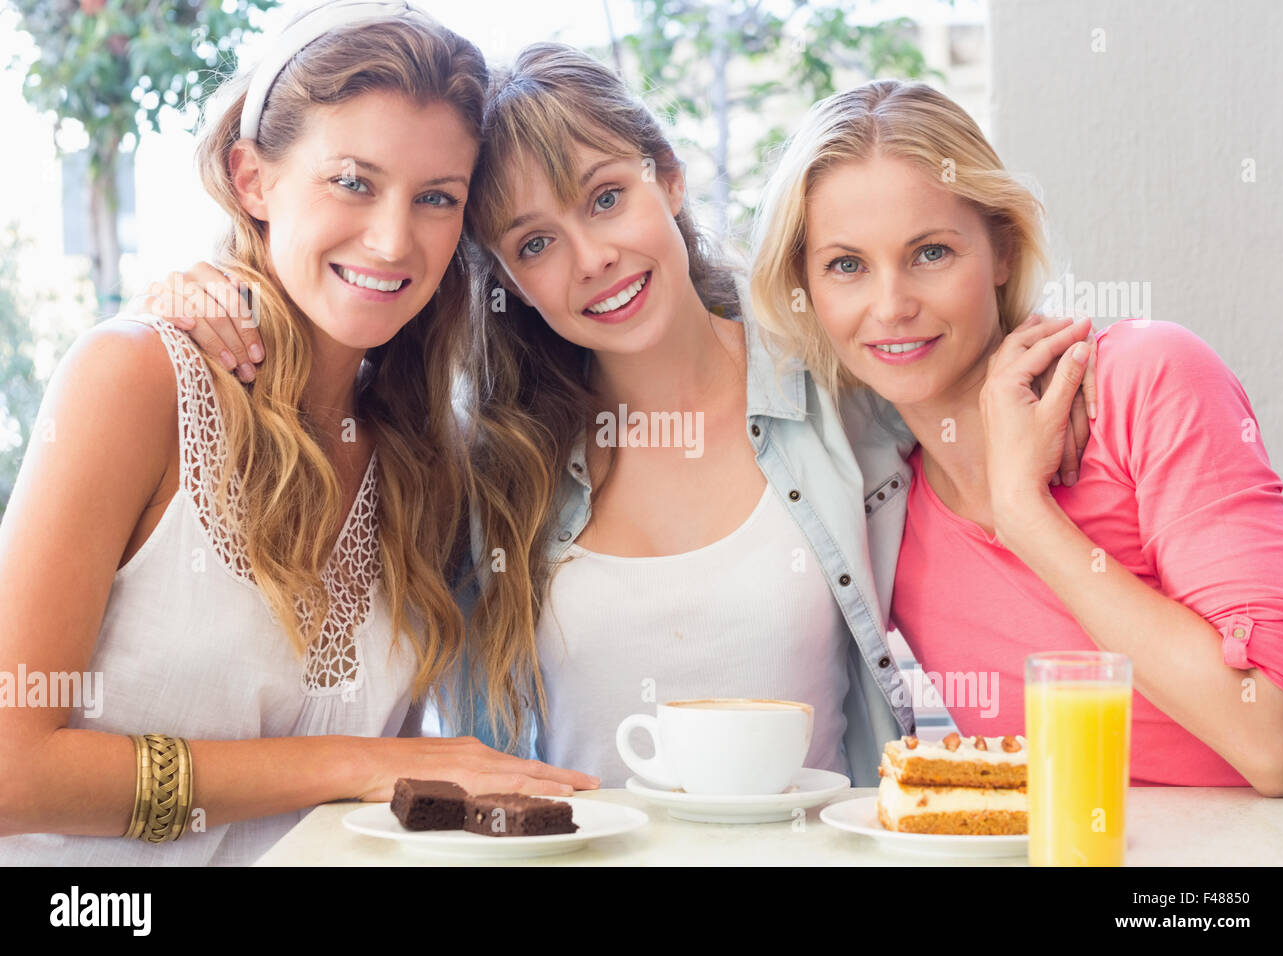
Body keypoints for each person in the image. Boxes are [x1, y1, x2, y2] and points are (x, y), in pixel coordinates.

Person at [151, 44, 1097, 786]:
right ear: (509, 281)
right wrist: (200, 293)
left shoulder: (840, 393)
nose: (592, 258)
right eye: (535, 242)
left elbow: (965, 374)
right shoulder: (485, 473)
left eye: (607, 197)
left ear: (669, 179)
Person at [0, 2, 592, 867]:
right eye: (353, 180)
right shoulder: (136, 379)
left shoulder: (427, 460)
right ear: (252, 179)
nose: (393, 240)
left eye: (436, 199)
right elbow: (12, 774)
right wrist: (362, 762)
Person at [749, 79, 1283, 795]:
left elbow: (1276, 740)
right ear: (807, 291)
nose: (891, 306)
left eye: (931, 253)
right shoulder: (884, 512)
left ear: (1001, 250)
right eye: (846, 265)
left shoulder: (1144, 379)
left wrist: (1024, 514)